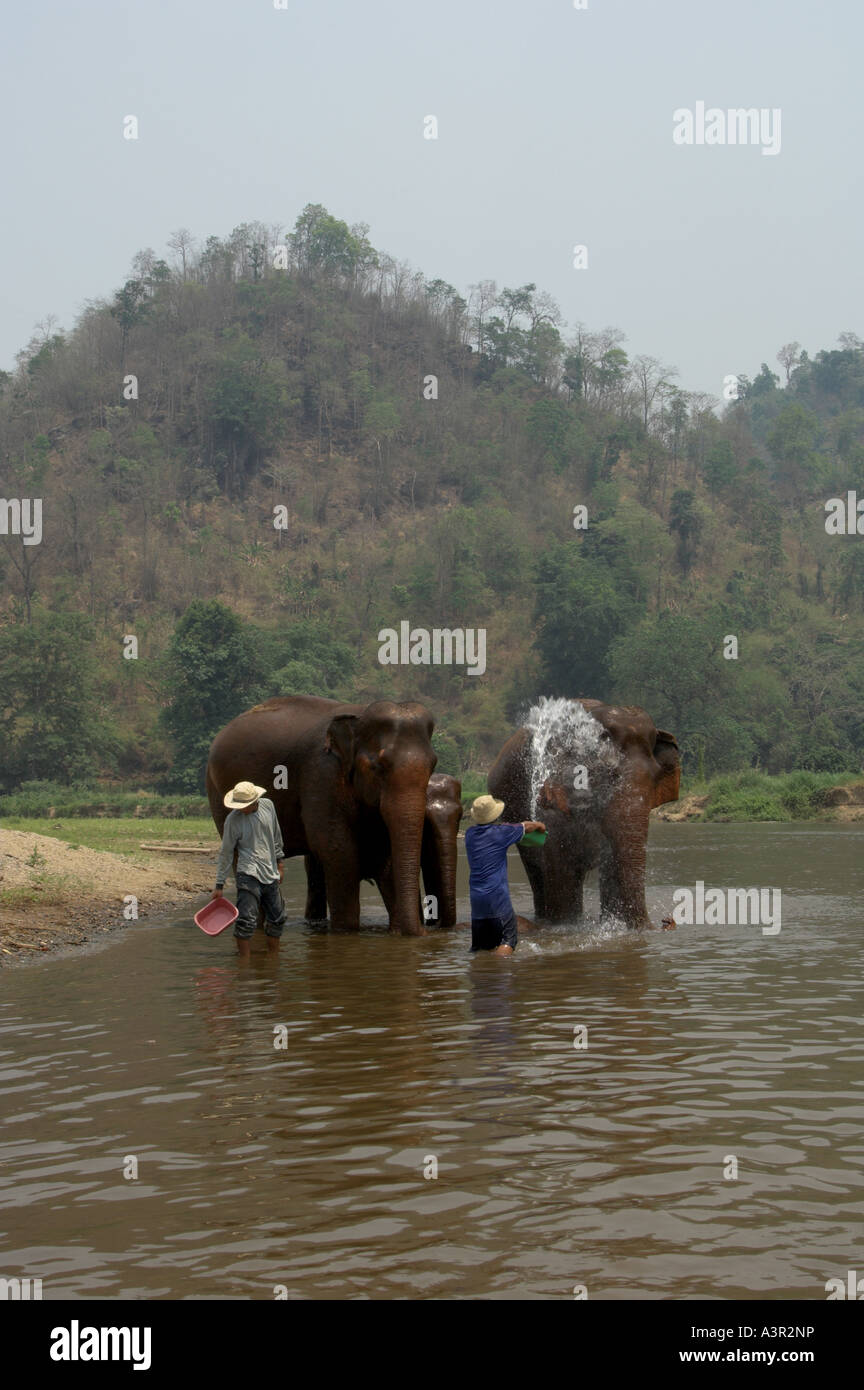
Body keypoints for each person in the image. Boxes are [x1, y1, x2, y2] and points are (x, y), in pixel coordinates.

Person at [212, 780, 287, 959]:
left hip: (270, 871)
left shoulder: (268, 806)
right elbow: (226, 852)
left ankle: (273, 959)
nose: (241, 809)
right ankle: (244, 962)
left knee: (278, 918)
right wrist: (219, 884)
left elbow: (276, 836)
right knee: (246, 920)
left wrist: (280, 864)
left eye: (244, 806)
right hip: (248, 873)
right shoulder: (233, 820)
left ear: (255, 801)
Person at [465, 794, 545, 955]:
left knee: (481, 948)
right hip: (497, 900)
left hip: (477, 903)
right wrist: (540, 825)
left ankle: (482, 974)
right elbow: (526, 827)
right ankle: (499, 969)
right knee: (509, 941)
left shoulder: (469, 834)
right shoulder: (502, 833)